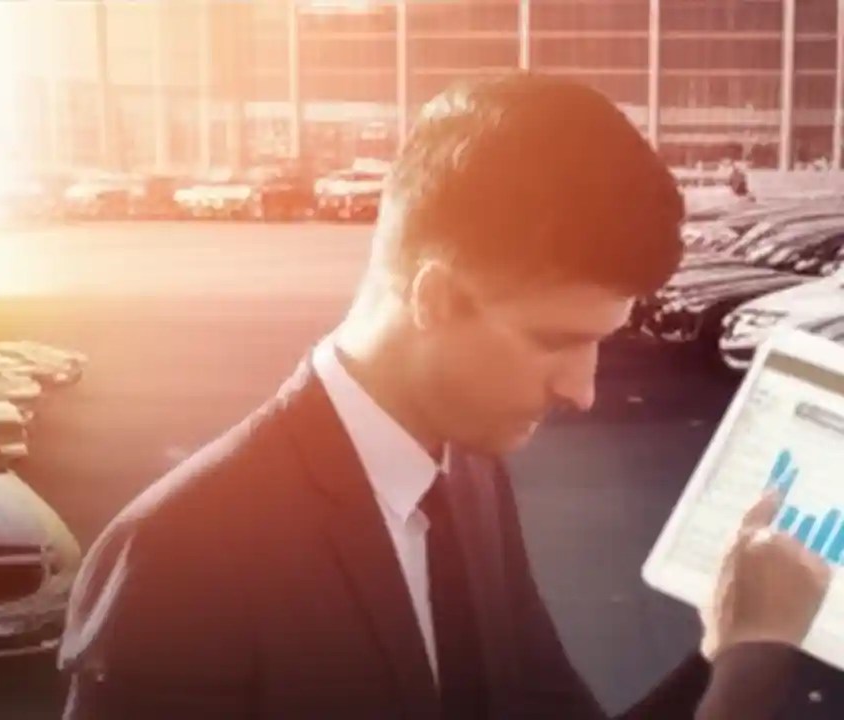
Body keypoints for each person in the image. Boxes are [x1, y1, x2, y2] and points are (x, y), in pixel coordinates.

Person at [58, 74, 831, 719]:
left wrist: (728, 646)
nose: (585, 391)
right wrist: (752, 666)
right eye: (554, 339)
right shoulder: (179, 558)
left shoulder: (468, 478)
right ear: (434, 297)